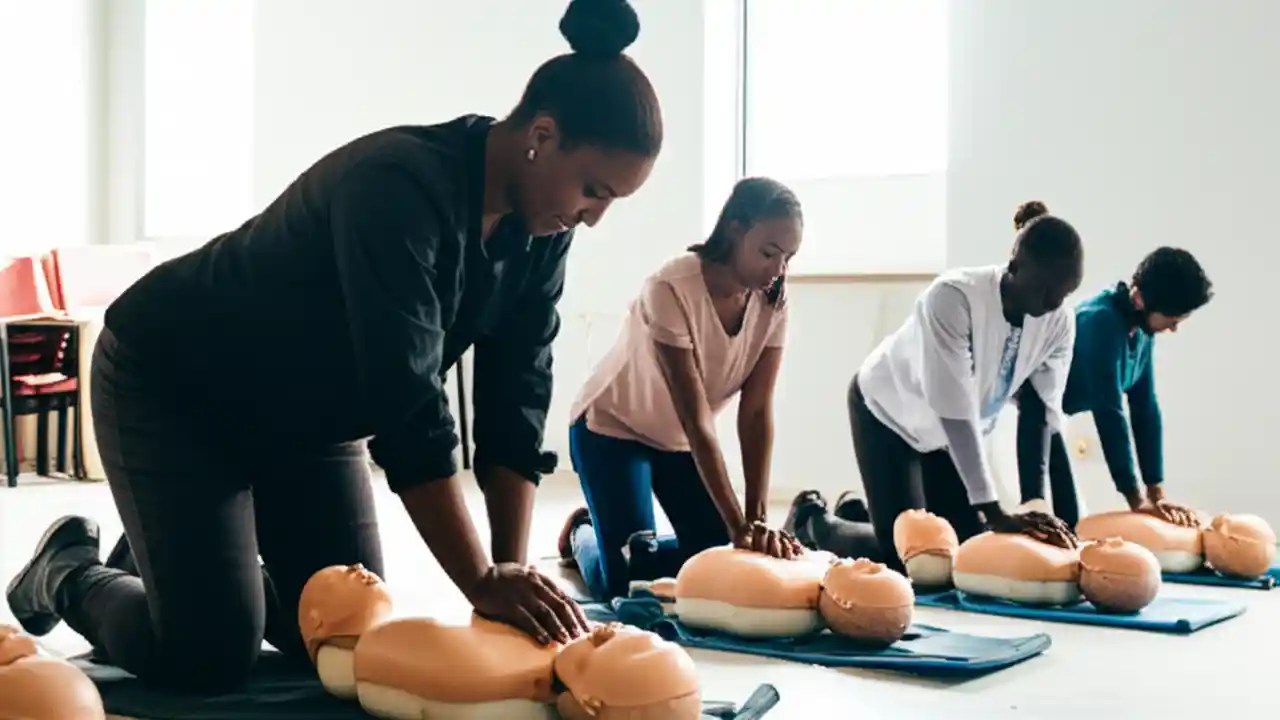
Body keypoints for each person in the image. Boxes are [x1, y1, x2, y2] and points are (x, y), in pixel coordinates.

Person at [6, 0, 661, 692]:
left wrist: (509, 576)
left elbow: (516, 401)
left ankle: (175, 559)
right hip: (175, 385)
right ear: (543, 134)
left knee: (343, 632)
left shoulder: (541, 235)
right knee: (209, 651)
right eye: (593, 190)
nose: (593, 217)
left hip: (308, 422)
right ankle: (69, 571)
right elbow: (409, 405)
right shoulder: (399, 186)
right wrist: (476, 578)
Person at [784, 201, 1082, 571]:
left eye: (1065, 293)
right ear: (1015, 266)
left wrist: (1034, 504)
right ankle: (813, 521)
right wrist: (993, 510)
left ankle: (858, 511)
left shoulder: (1058, 321)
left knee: (965, 550)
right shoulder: (953, 297)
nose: (1054, 303)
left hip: (943, 438)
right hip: (887, 413)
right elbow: (955, 410)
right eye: (1046, 289)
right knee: (913, 560)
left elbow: (1040, 411)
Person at [556, 177, 805, 601]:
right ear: (734, 229)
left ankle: (625, 535)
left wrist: (755, 518)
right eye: (769, 253)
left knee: (721, 556)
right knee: (630, 580)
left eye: (788, 257)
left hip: (675, 443)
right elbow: (695, 419)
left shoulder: (772, 302)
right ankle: (584, 533)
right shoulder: (670, 287)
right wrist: (739, 524)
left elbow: (757, 412)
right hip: (612, 429)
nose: (778, 269)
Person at [1016, 247, 1213, 528]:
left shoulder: (1141, 330)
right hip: (1017, 416)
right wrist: (1136, 500)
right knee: (1059, 520)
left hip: (1051, 417)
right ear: (1143, 300)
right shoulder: (1101, 321)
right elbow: (1110, 412)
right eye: (1173, 320)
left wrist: (1155, 492)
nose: (1173, 329)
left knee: (1069, 520)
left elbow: (1145, 409)